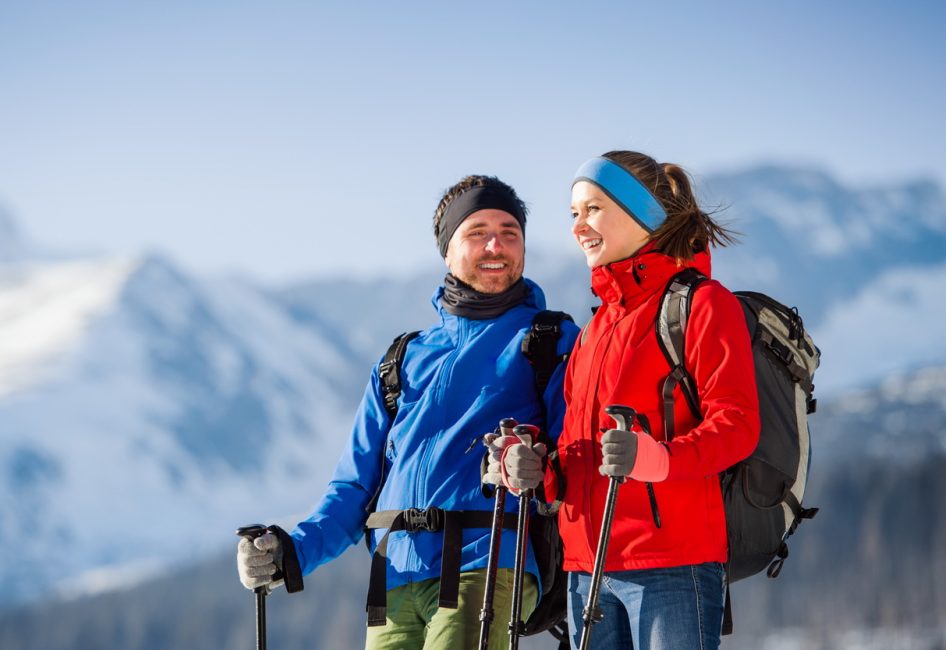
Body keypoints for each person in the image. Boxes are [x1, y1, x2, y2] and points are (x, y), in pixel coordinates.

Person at [236, 175, 579, 649]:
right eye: (477, 231)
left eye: (510, 232)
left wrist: (534, 463)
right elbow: (354, 487)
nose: (496, 244)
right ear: (448, 250)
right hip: (394, 578)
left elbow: (574, 450)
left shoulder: (550, 340)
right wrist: (291, 552)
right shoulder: (402, 359)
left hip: (487, 561)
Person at [485, 151, 760, 649]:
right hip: (586, 570)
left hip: (673, 565)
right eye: (573, 214)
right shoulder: (594, 331)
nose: (578, 227)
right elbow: (578, 457)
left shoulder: (700, 304)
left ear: (643, 215)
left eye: (593, 209)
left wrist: (658, 458)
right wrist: (535, 471)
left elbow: (737, 424)